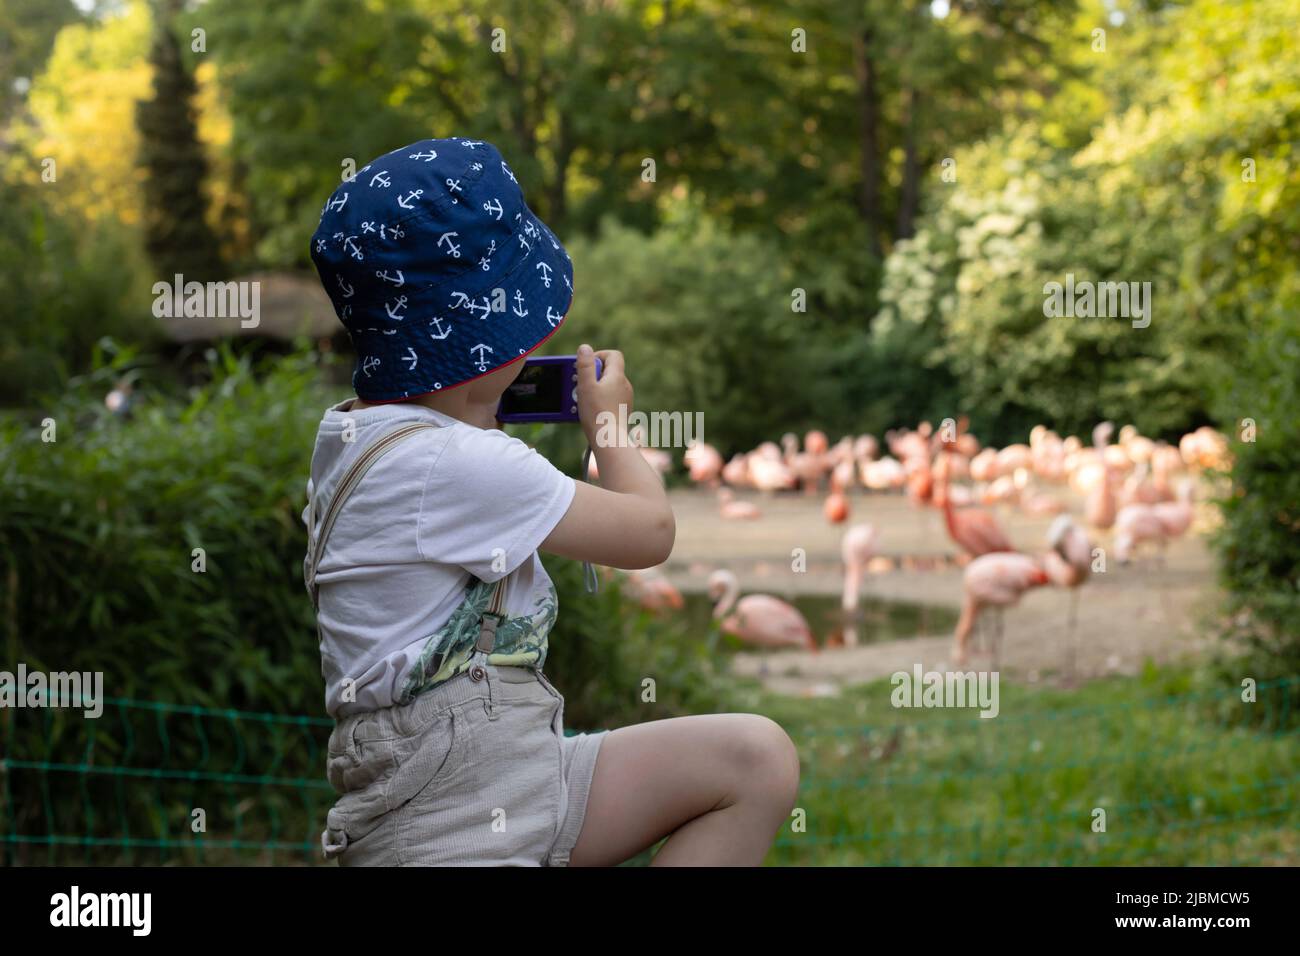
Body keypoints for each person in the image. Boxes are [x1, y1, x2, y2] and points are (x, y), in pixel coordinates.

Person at [304, 137, 799, 866]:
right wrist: (611, 427)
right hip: (449, 828)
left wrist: (477, 399)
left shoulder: (351, 435)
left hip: (518, 779)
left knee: (754, 758)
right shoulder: (464, 463)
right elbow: (649, 532)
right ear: (493, 335)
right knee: (758, 759)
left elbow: (440, 464)